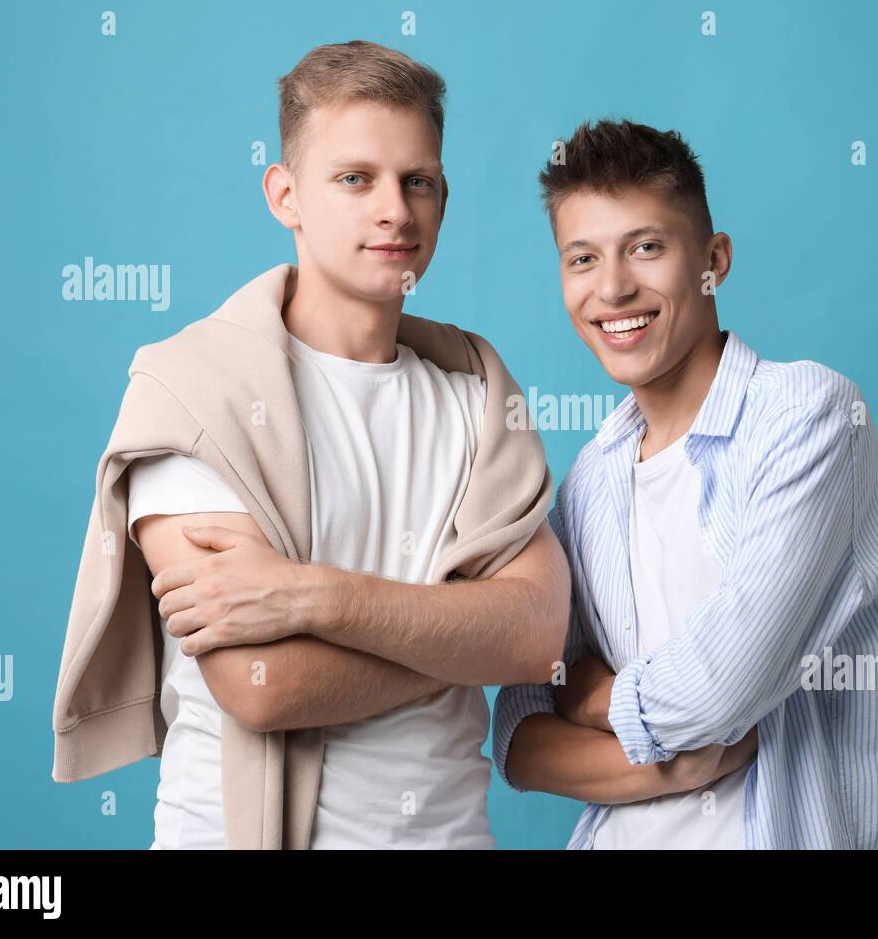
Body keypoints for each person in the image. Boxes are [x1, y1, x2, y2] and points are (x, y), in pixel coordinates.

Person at [107, 41, 571, 848]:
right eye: (354, 178)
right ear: (284, 195)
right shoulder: (192, 389)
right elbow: (263, 685)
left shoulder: (478, 391)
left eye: (416, 180)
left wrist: (308, 597)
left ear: (442, 195)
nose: (394, 210)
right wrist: (463, 641)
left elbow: (534, 636)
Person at [491, 119, 878, 849]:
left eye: (646, 247)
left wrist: (594, 696)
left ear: (713, 258)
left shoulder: (809, 415)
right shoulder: (587, 484)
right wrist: (673, 770)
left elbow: (720, 689)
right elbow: (518, 735)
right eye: (582, 258)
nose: (612, 287)